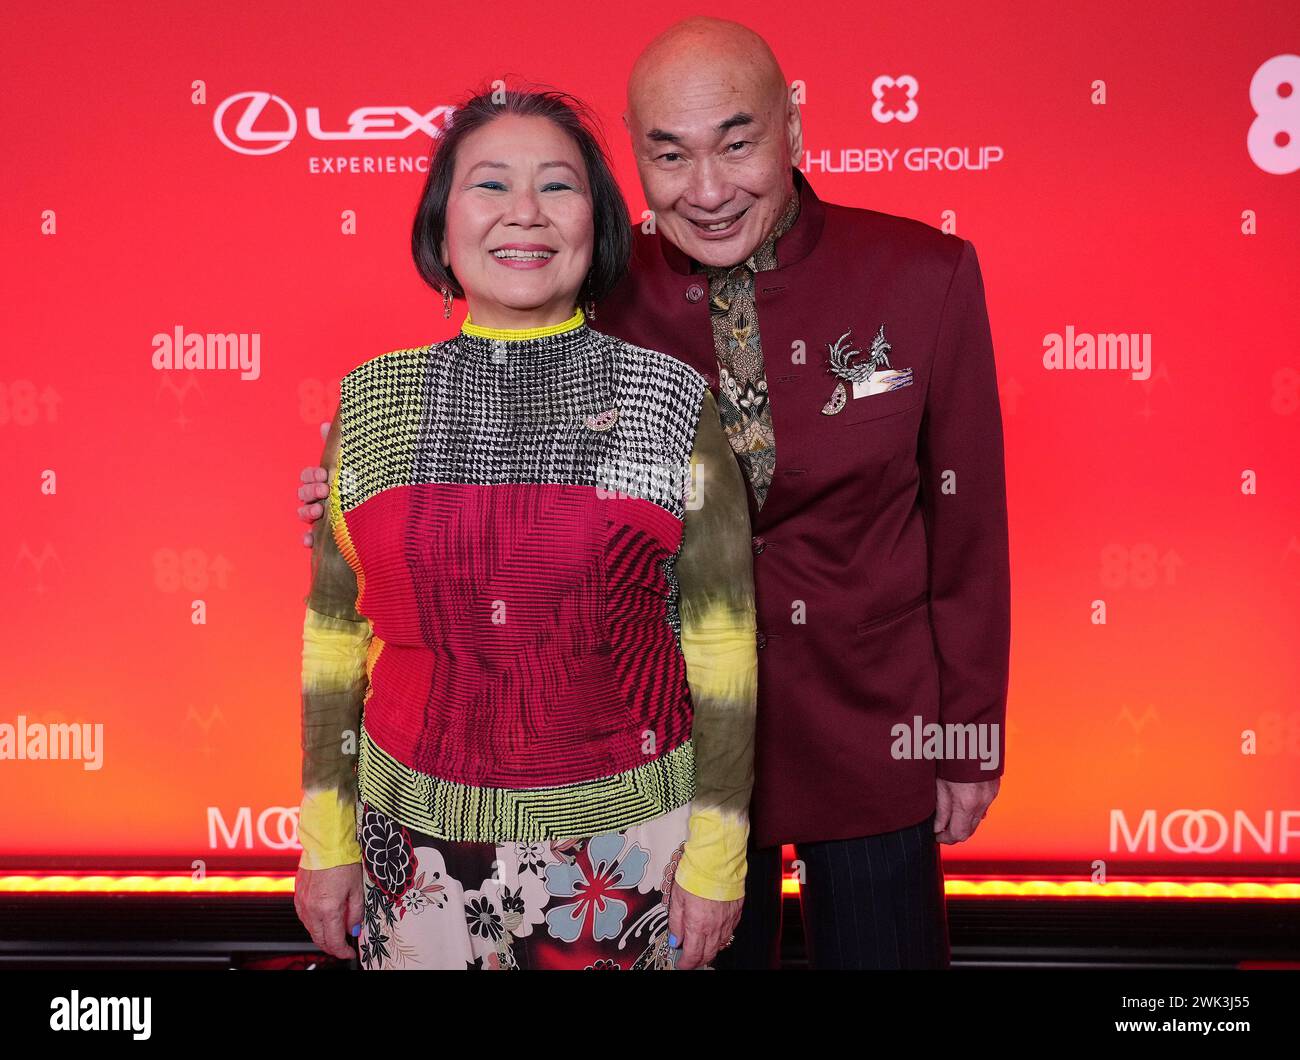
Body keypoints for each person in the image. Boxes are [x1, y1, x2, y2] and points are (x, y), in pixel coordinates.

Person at [299, 16, 1010, 970]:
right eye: (670, 157)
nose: (708, 191)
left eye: (738, 143)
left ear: (794, 128)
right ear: (635, 162)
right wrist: (349, 490)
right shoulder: (593, 283)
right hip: (673, 754)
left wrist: (962, 738)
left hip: (869, 730)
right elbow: (489, 437)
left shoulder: (924, 274)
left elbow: (968, 532)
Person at [293, 86, 758, 970]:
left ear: (601, 222)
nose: (525, 214)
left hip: (624, 854)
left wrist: (719, 853)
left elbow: (724, 650)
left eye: (558, 185)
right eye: (490, 186)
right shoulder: (370, 401)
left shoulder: (666, 401)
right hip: (413, 849)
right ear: (441, 223)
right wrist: (327, 837)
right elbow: (333, 637)